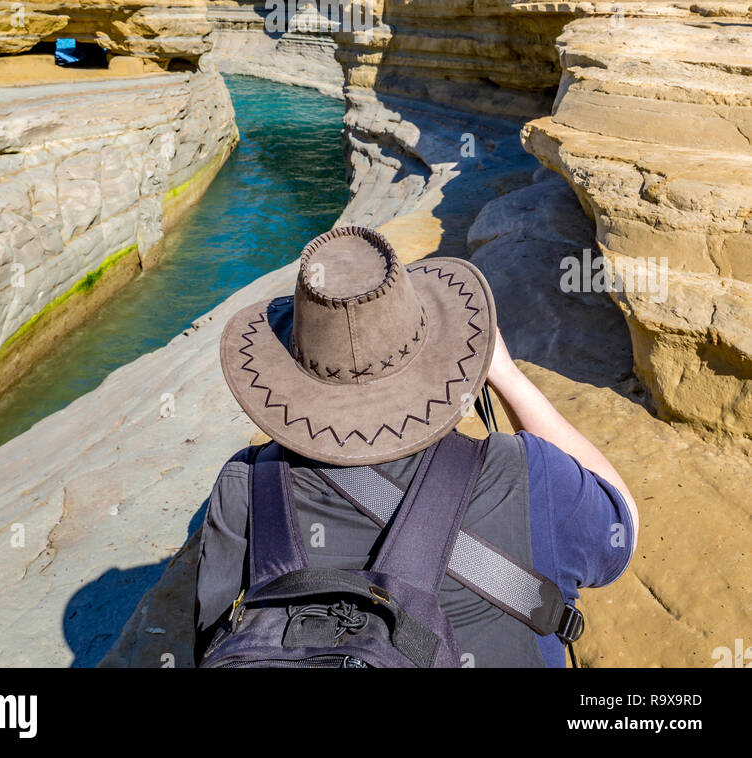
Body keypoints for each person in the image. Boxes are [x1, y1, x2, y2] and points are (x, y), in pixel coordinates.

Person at [194, 224, 638, 668]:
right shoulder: (520, 474)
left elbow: (212, 636)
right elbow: (622, 523)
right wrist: (507, 376)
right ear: (449, 355)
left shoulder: (246, 485)